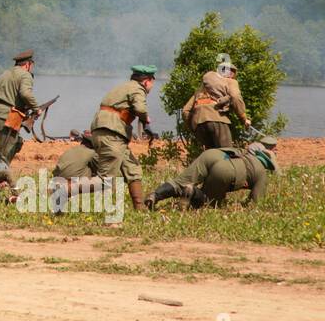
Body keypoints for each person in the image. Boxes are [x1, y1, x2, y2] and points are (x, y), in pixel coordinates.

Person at [89, 66, 157, 212]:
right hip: (111, 133)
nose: (151, 87)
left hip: (112, 133)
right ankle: (64, 189)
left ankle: (140, 209)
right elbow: (140, 109)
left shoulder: (124, 87)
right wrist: (146, 118)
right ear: (146, 81)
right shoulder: (138, 89)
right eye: (152, 83)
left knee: (132, 169)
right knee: (105, 180)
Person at [146, 140, 277, 208]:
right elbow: (255, 202)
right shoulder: (261, 172)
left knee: (180, 181)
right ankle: (192, 192)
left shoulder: (246, 152)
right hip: (225, 169)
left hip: (213, 153)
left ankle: (155, 195)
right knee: (209, 202)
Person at [0, 50, 39, 169]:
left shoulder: (5, 74)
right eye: (31, 65)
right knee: (4, 154)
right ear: (27, 64)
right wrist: (36, 108)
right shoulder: (25, 75)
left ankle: (0, 173)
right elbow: (25, 94)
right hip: (7, 118)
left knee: (16, 143)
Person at [179, 55, 249, 150]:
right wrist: (243, 118)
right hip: (217, 120)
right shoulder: (230, 81)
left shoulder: (201, 88)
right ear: (230, 72)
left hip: (199, 124)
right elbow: (235, 96)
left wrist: (194, 127)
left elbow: (185, 111)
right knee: (226, 153)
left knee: (211, 156)